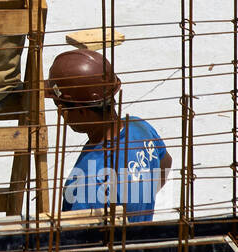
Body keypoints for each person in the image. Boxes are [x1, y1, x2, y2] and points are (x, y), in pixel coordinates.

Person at [47, 49, 172, 222]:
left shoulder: (86, 182)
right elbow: (165, 162)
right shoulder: (140, 128)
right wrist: (139, 200)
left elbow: (78, 240)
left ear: (82, 111)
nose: (61, 114)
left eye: (60, 106)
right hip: (141, 239)